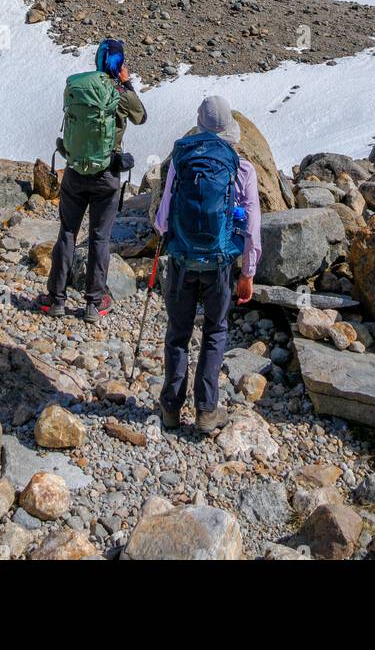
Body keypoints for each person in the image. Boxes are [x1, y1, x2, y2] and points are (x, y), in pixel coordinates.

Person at [154, 95, 261, 433]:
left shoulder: (181, 160)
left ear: (199, 124)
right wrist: (248, 272)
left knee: (177, 335)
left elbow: (161, 218)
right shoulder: (241, 167)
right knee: (215, 332)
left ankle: (171, 408)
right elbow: (252, 226)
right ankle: (206, 411)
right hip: (218, 265)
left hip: (182, 260)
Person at [40, 38, 146, 323]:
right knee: (99, 237)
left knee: (67, 233)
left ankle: (56, 300)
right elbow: (141, 116)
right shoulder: (118, 92)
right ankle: (93, 303)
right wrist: (126, 83)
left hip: (75, 172)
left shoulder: (77, 86)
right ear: (119, 63)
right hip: (107, 175)